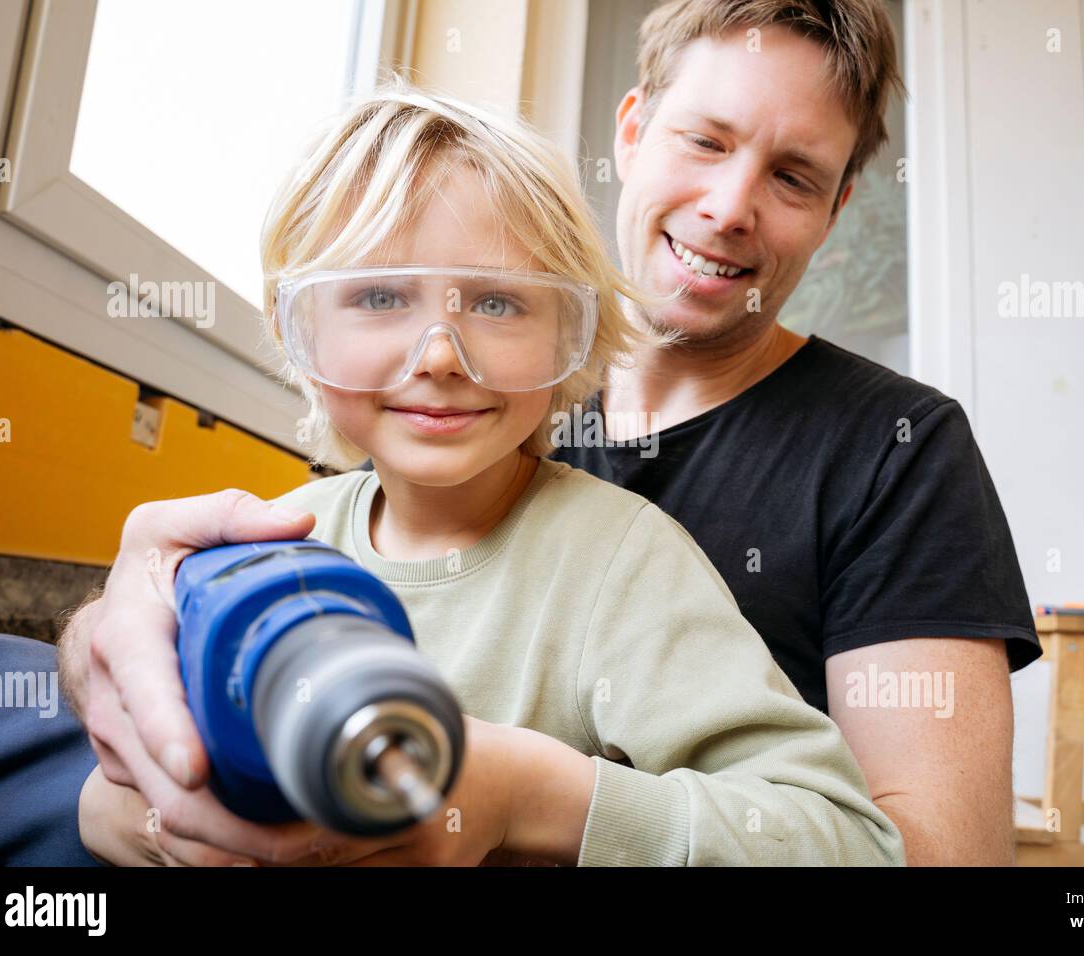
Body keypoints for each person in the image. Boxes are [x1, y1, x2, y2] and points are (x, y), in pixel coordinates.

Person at [70, 78, 904, 867]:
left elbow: (844, 840)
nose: (438, 357)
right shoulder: (276, 536)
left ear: (570, 340)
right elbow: (114, 793)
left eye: (498, 304)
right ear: (301, 330)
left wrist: (532, 798)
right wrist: (152, 823)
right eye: (381, 297)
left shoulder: (621, 563)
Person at [546, 0, 1039, 865]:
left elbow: (942, 855)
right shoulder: (493, 408)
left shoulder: (901, 450)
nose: (731, 207)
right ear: (632, 132)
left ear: (836, 207)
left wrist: (547, 808)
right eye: (704, 140)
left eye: (794, 176)